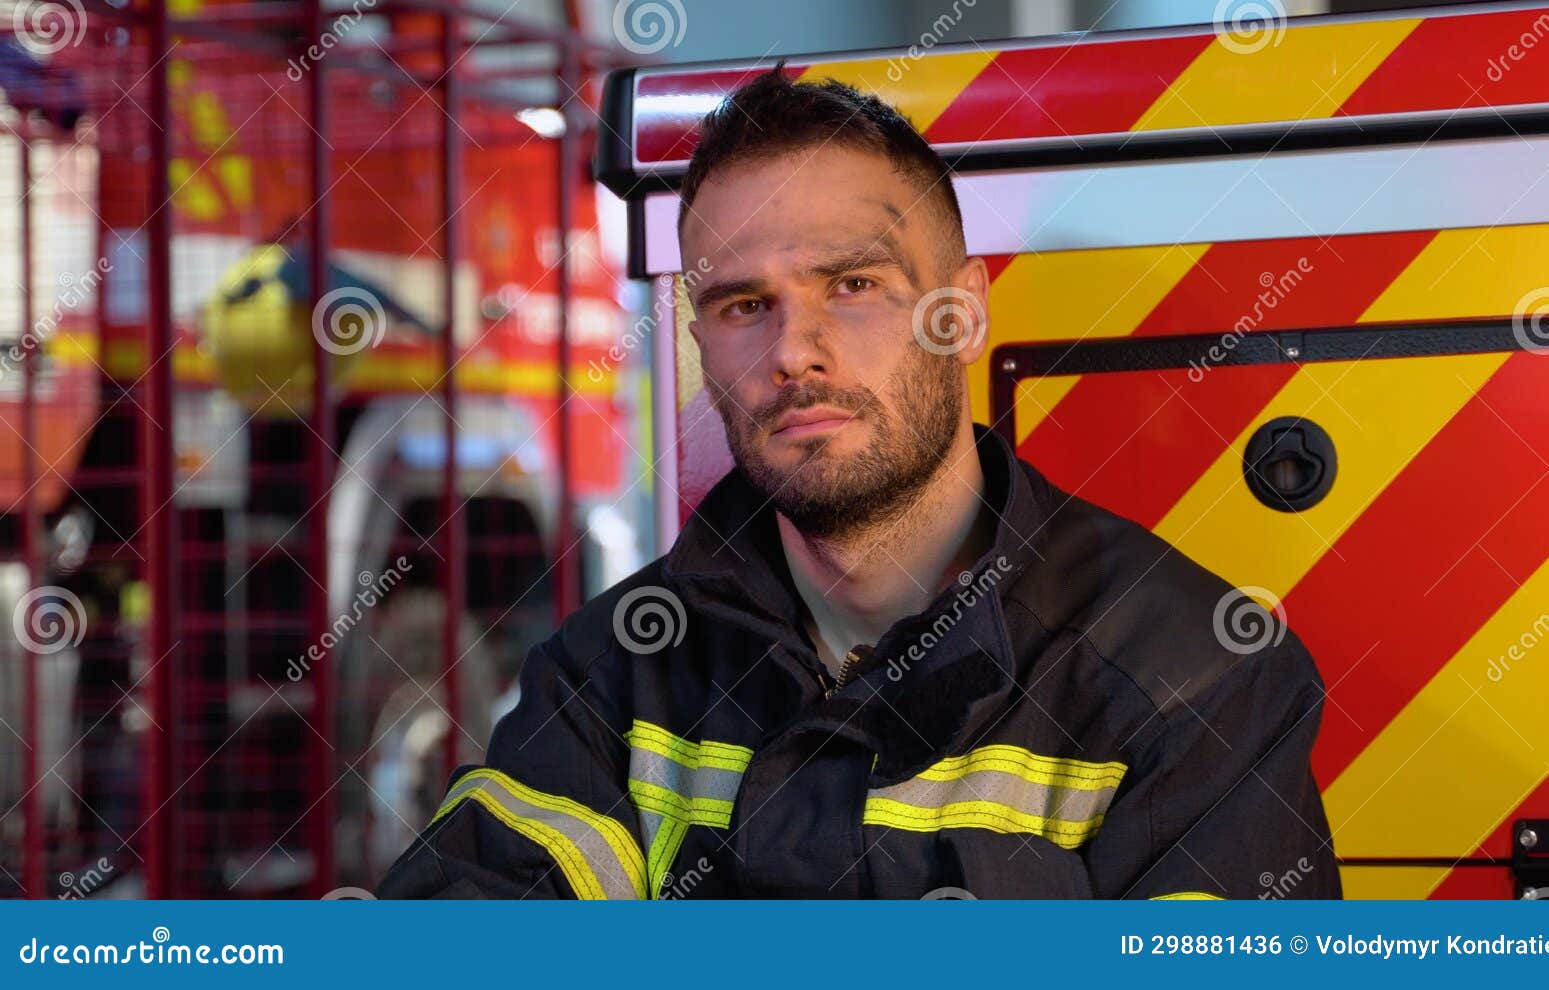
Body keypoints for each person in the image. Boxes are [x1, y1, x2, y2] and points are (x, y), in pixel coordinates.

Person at [376, 68, 1340, 899]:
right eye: (744, 304)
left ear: (960, 316)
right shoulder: (617, 670)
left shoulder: (1195, 677)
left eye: (854, 285)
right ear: (701, 349)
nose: (795, 351)